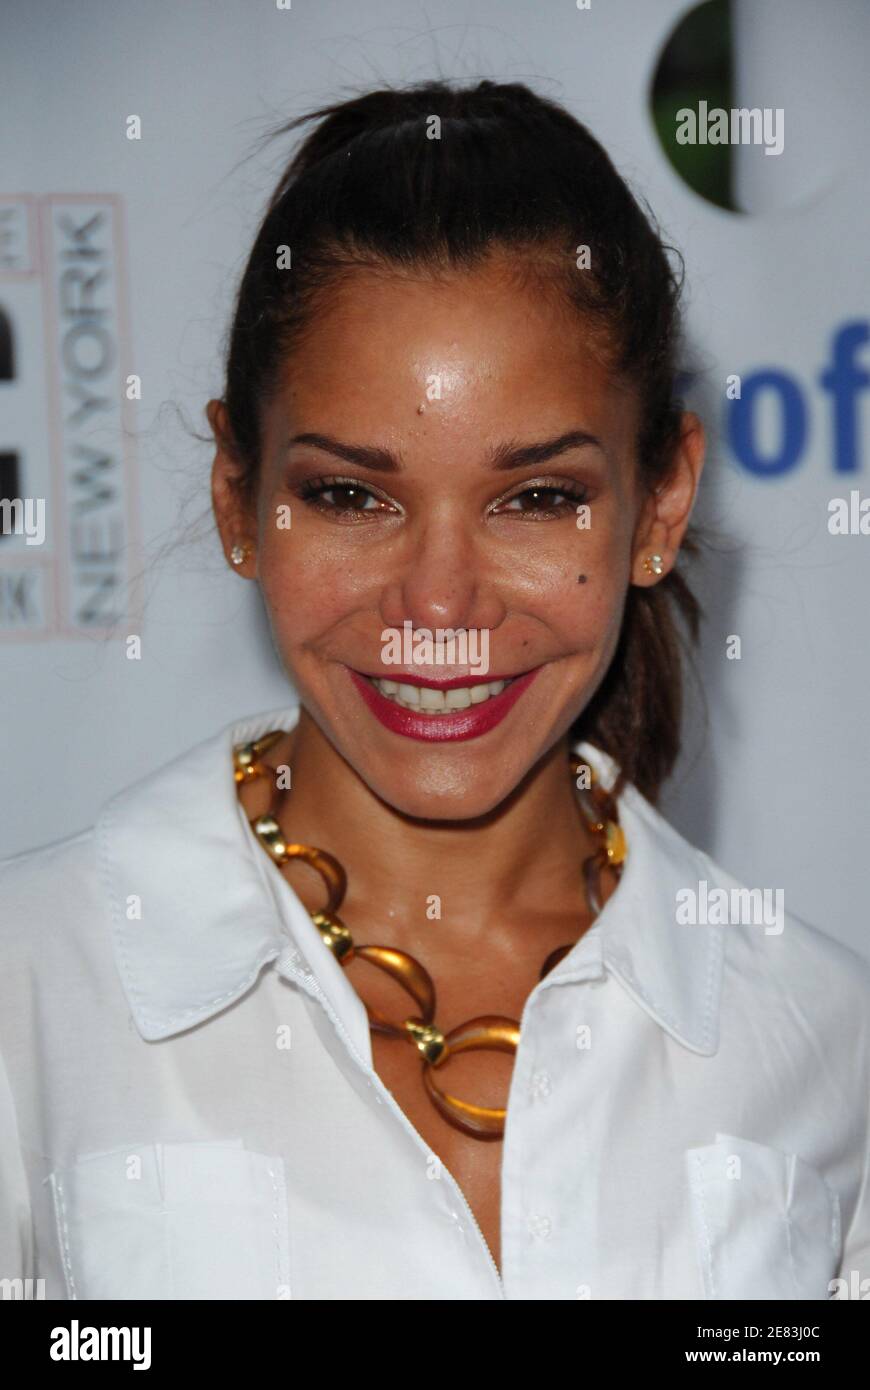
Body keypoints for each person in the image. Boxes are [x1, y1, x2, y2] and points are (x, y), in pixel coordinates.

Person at [1, 79, 868, 1302]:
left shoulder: (829, 1043)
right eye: (353, 495)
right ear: (237, 499)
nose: (443, 604)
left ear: (659, 505)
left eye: (538, 497)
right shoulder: (30, 986)